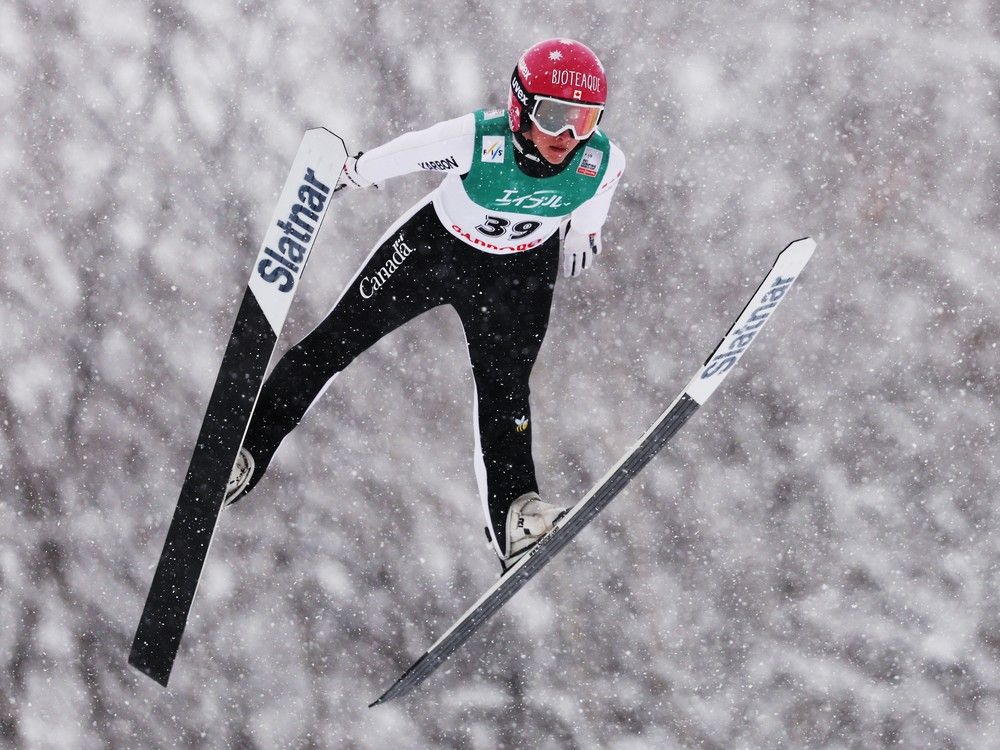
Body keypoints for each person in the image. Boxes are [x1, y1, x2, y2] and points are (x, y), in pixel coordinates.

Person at [226, 38, 626, 571]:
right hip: (435, 253)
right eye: (555, 117)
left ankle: (516, 514)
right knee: (337, 341)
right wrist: (350, 172)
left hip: (519, 276)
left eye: (586, 119)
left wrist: (586, 229)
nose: (570, 137)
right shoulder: (479, 139)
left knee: (506, 391)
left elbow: (604, 184)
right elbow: (411, 151)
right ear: (521, 107)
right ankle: (246, 449)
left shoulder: (600, 160)